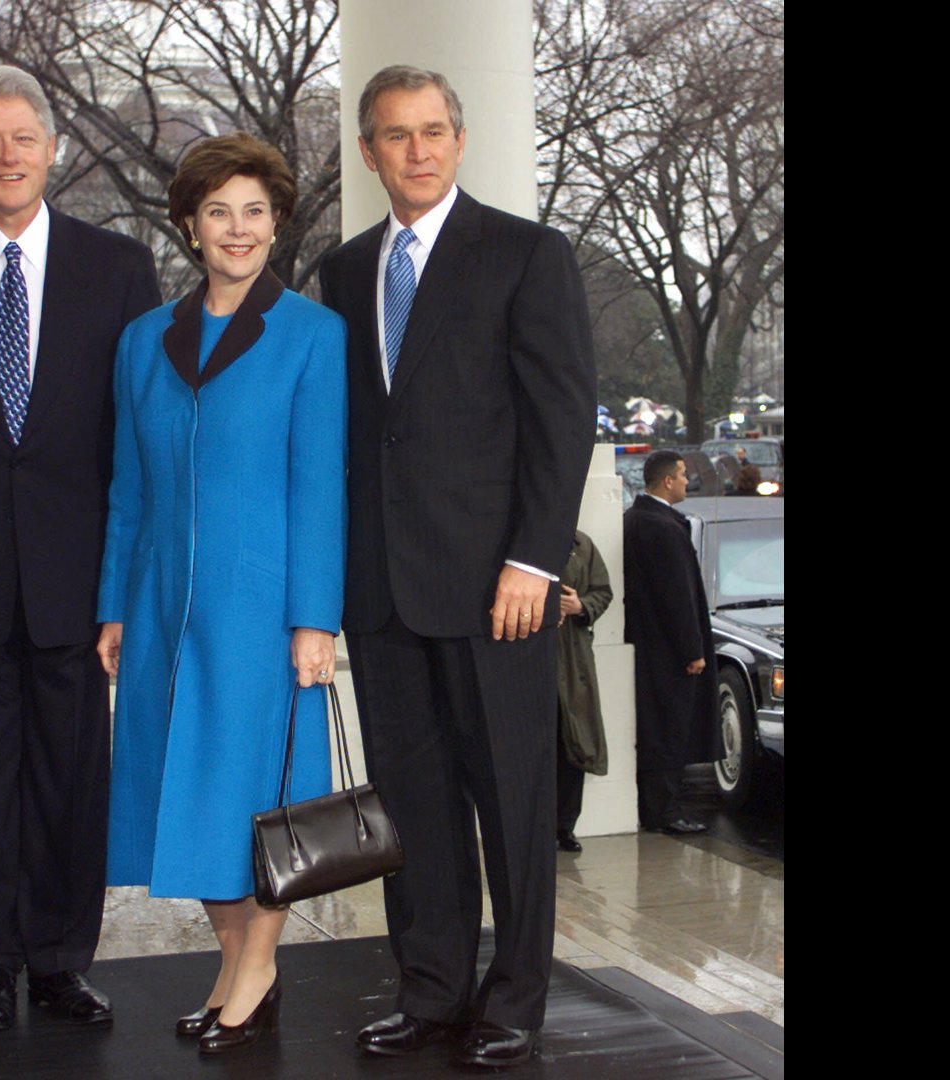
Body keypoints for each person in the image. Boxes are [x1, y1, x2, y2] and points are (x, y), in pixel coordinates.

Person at [317, 66, 596, 1069]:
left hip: (495, 592)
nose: (419, 150)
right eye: (397, 135)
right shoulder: (344, 271)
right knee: (415, 808)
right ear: (369, 152)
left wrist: (534, 559)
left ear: (460, 140)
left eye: (434, 130)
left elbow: (563, 420)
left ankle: (514, 1000)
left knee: (513, 805)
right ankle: (431, 990)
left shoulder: (526, 254)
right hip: (383, 594)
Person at [0, 65, 161, 1033]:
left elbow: (138, 434)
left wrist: (126, 584)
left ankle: (58, 961)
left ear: (54, 148)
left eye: (23, 138)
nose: (7, 156)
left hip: (76, 573)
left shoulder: (118, 266)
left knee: (69, 776)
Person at [95, 131, 347, 1056]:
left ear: (276, 225)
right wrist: (115, 604)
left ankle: (255, 971)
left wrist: (315, 619)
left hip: (262, 614)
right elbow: (128, 486)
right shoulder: (142, 341)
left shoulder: (314, 336)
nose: (237, 229)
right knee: (189, 790)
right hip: (163, 606)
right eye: (217, 213)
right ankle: (240, 966)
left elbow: (320, 488)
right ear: (189, 227)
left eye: (254, 212)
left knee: (259, 797)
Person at [622, 450, 721, 835]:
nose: (686, 481)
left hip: (646, 644)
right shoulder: (662, 527)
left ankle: (656, 807)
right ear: (666, 481)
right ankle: (664, 811)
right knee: (670, 726)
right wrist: (692, 650)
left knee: (655, 725)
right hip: (667, 651)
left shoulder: (635, 519)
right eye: (682, 475)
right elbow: (677, 596)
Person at [555, 530, 613, 854]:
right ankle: (535, 828)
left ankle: (565, 826)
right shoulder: (518, 538)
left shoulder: (581, 544)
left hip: (573, 658)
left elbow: (602, 592)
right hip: (532, 655)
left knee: (574, 741)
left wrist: (580, 605)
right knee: (536, 745)